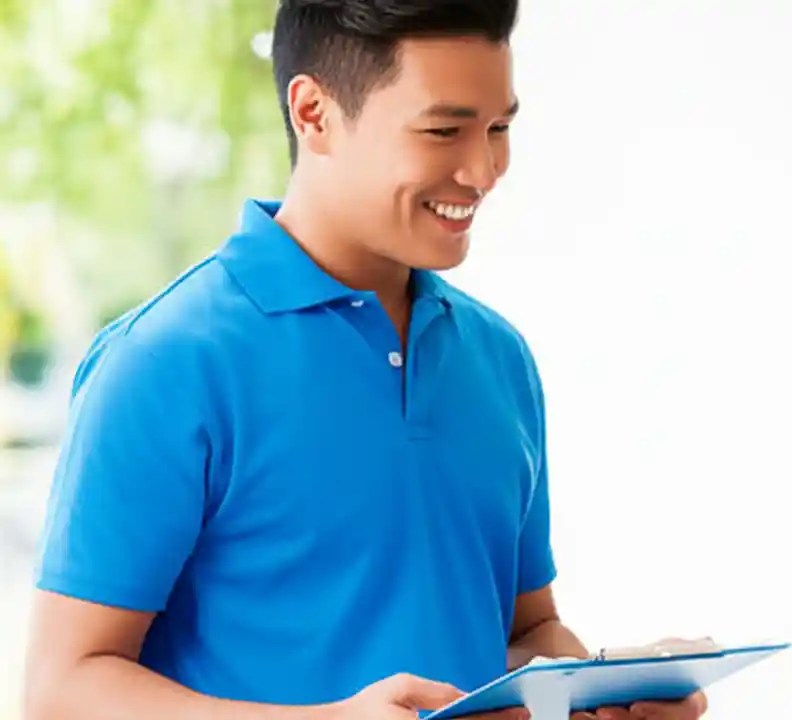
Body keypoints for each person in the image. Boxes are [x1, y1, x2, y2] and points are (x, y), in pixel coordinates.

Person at [22, 3, 706, 720]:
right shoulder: (166, 361)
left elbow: (523, 633)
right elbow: (62, 690)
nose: (484, 170)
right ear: (313, 113)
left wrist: (597, 694)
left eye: (499, 129)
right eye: (444, 131)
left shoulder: (499, 358)